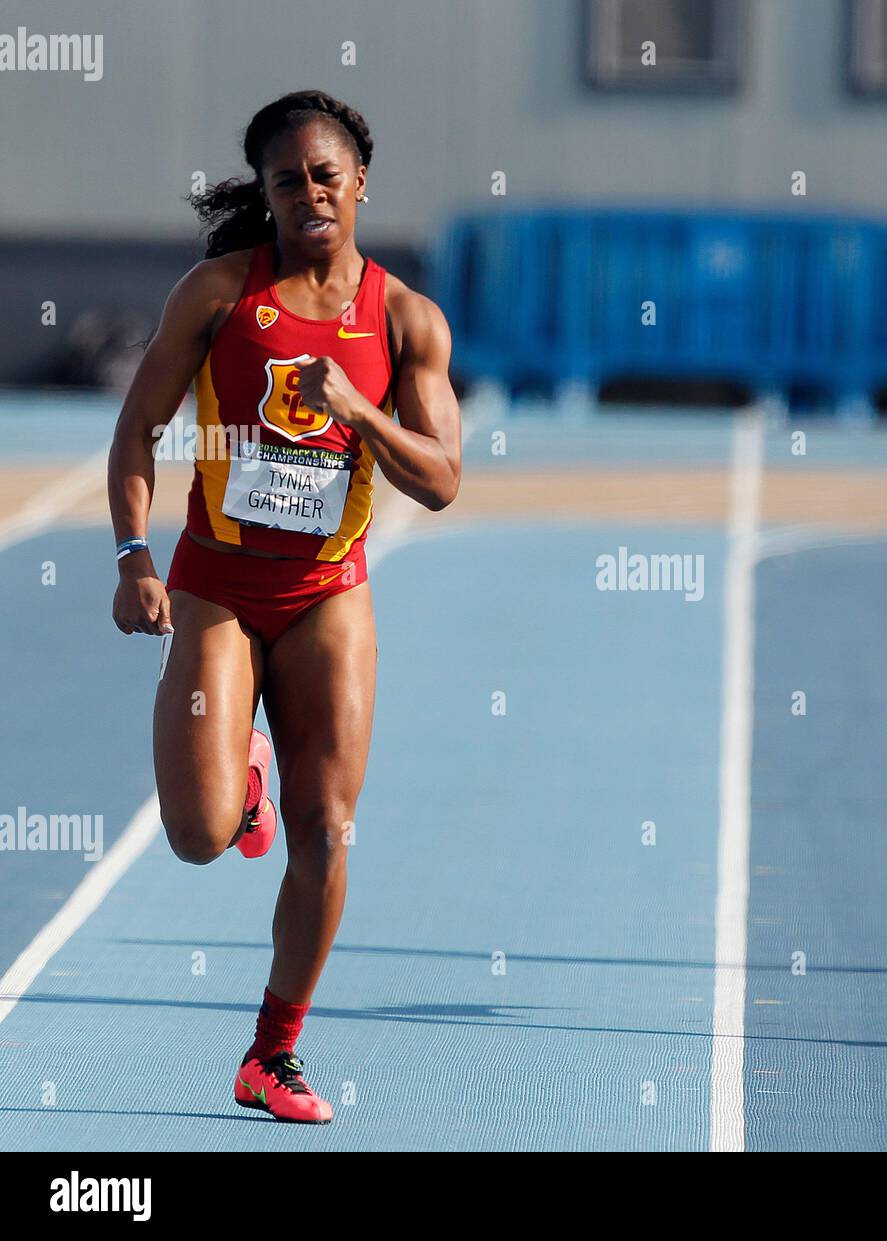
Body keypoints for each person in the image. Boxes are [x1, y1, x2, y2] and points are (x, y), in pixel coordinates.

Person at [107, 90, 462, 1118]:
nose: (308, 192)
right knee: (198, 832)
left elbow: (440, 480)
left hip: (326, 598)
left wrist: (358, 408)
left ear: (359, 181)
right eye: (286, 180)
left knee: (327, 829)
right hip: (216, 587)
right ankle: (242, 776)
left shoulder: (404, 320)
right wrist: (136, 557)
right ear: (263, 196)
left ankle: (273, 1053)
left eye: (324, 173)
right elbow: (137, 428)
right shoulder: (219, 294)